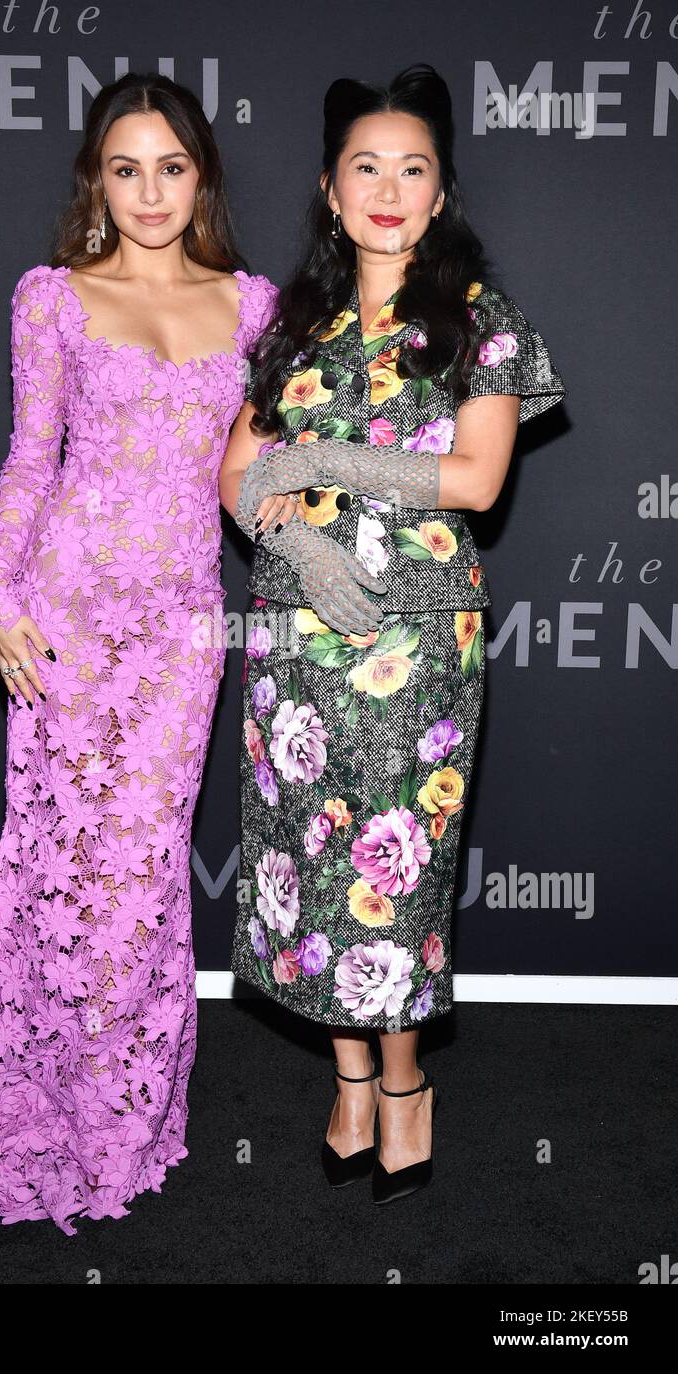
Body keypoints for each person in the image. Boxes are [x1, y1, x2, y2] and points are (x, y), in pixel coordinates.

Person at [0, 71, 277, 1235]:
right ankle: (36, 1098)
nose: (148, 191)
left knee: (135, 879)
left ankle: (121, 1115)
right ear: (98, 177)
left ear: (201, 175)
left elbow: (247, 481)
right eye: (124, 168)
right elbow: (32, 458)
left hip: (180, 632)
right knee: (53, 865)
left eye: (170, 166)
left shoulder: (251, 307)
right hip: (64, 624)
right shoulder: (55, 298)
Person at [219, 66, 565, 1205]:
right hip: (293, 641)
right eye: (363, 165)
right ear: (329, 188)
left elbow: (473, 478)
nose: (385, 186)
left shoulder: (479, 320)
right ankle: (351, 1076)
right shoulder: (291, 324)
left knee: (395, 874)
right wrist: (303, 551)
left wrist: (320, 462)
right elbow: (233, 473)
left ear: (440, 192)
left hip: (413, 648)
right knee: (314, 862)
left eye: (411, 167)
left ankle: (407, 1085)